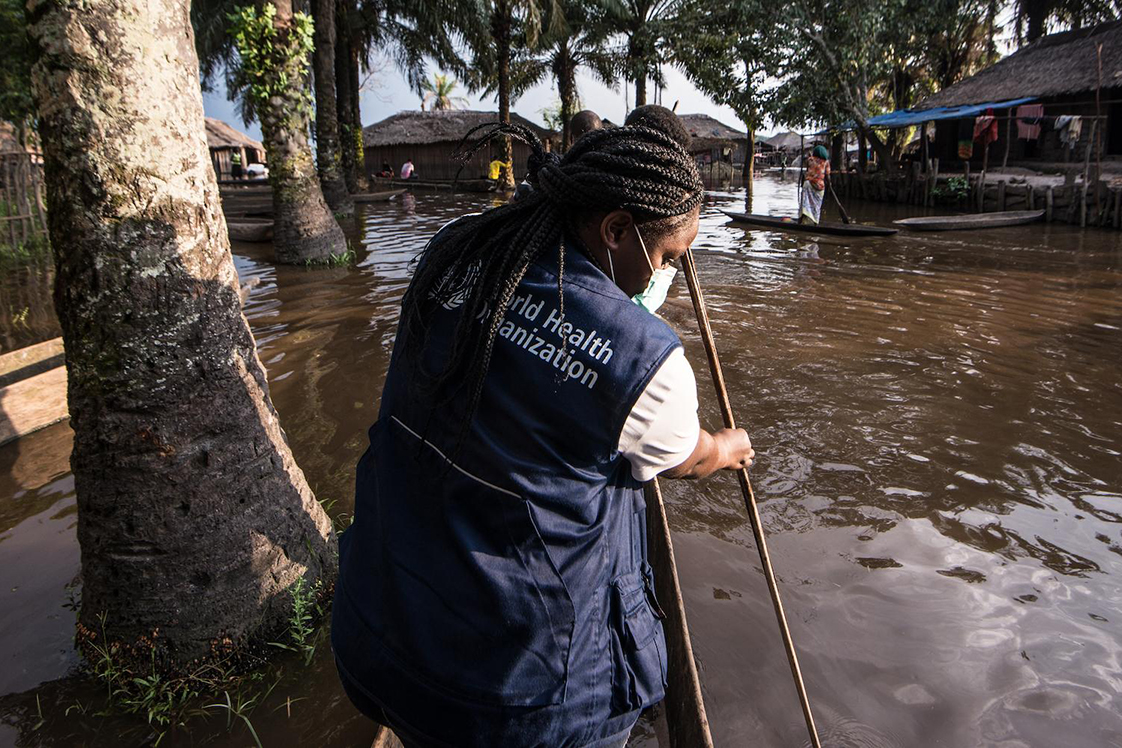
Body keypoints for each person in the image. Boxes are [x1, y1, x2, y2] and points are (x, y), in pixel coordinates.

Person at [332, 117, 755, 748]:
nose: (669, 270)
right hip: (522, 706)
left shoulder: (454, 247)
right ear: (615, 230)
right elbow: (683, 457)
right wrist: (723, 448)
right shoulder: (649, 360)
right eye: (667, 256)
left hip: (378, 635)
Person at [799, 144, 831, 224]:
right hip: (820, 186)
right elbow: (827, 175)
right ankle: (815, 221)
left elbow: (807, 169)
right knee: (816, 206)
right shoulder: (826, 162)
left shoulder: (810, 160)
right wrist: (830, 184)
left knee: (805, 202)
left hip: (810, 185)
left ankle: (803, 219)